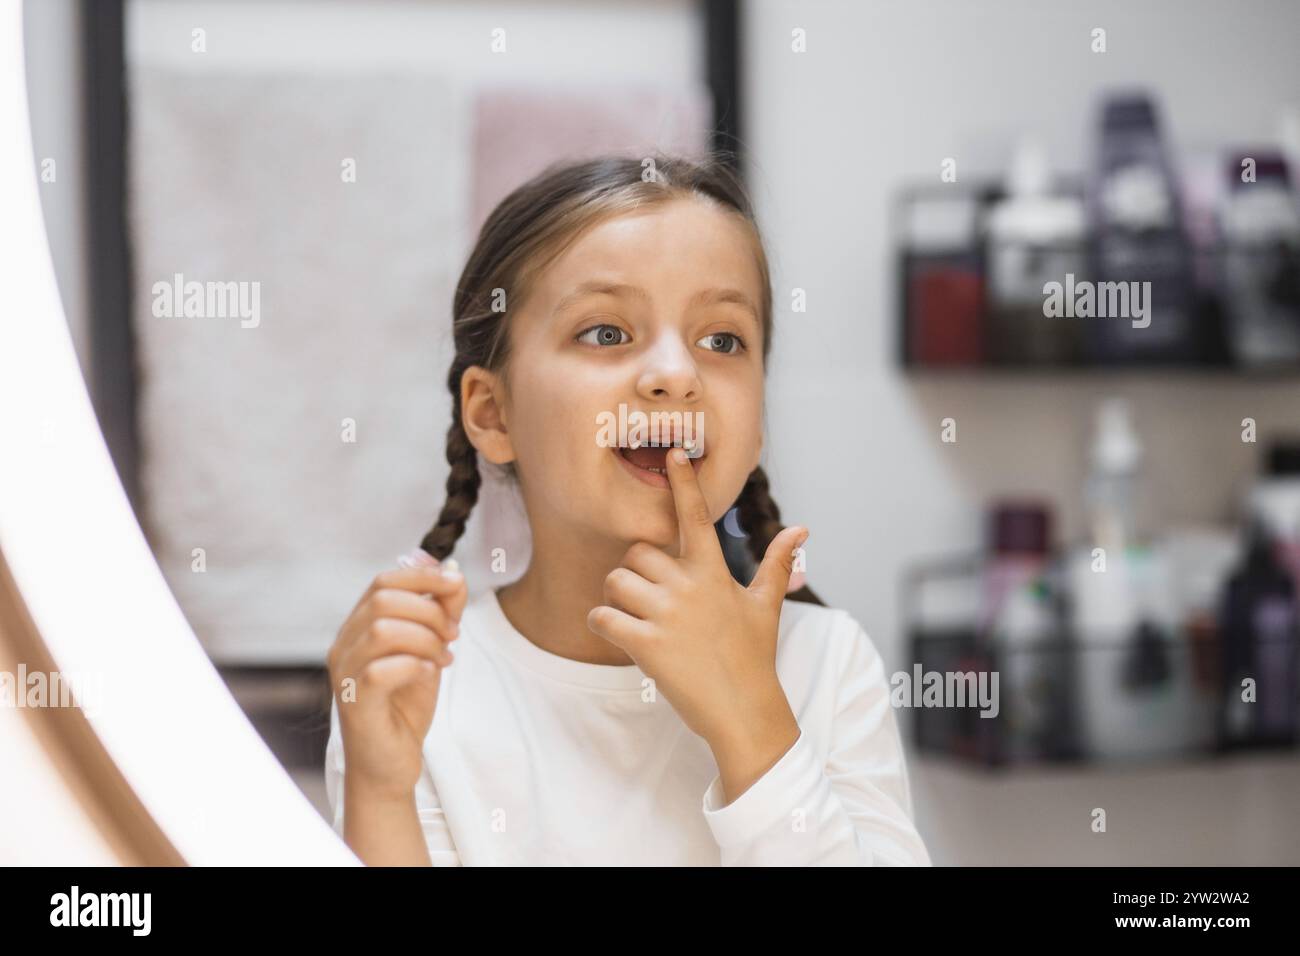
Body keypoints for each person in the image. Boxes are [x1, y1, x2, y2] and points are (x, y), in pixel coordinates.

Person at [324, 153, 931, 866]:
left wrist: (750, 720)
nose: (677, 376)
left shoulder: (827, 666)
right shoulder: (426, 688)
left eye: (722, 340)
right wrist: (379, 790)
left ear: (758, 421)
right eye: (606, 333)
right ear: (493, 413)